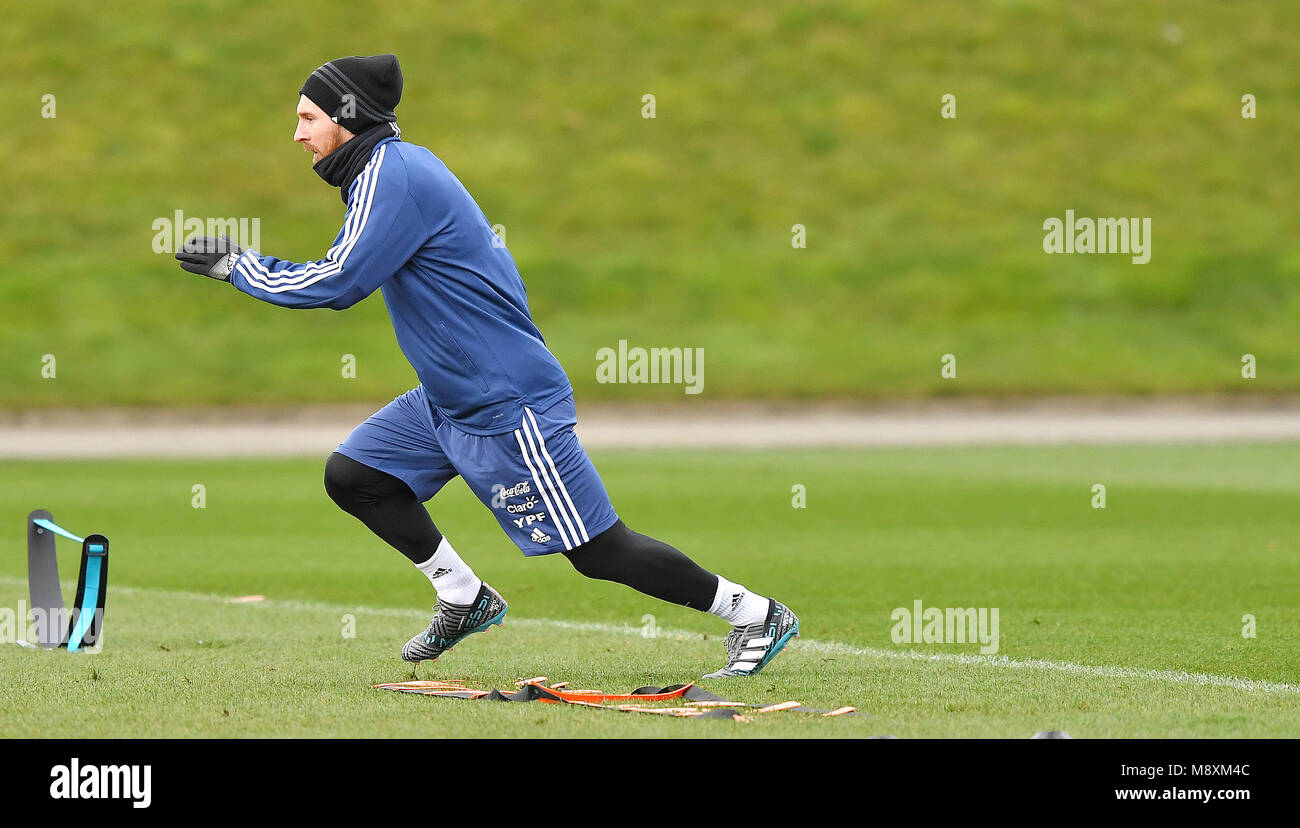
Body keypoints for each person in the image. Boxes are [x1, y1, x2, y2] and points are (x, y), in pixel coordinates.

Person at [174, 54, 797, 678]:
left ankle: (753, 613)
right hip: (450, 398)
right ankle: (464, 596)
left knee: (599, 552)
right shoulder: (382, 172)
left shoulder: (394, 176)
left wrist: (238, 267)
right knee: (355, 475)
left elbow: (340, 281)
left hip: (505, 400)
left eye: (308, 117)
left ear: (347, 115)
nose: (298, 134)